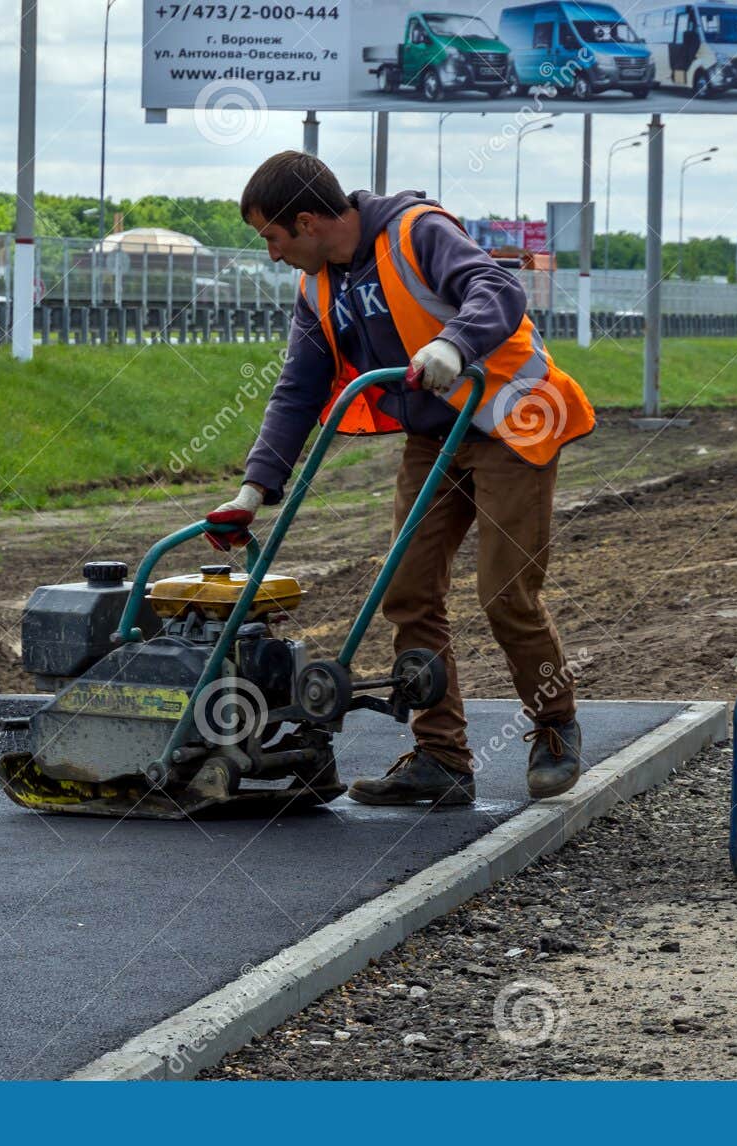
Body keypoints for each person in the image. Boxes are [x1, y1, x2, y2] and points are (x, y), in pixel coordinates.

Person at [214, 151, 595, 808]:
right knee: (408, 590)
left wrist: (453, 344)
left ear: (305, 221)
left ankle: (555, 726)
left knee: (505, 591)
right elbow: (297, 390)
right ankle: (442, 756)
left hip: (514, 417)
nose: (272, 254)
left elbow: (497, 289)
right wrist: (253, 491)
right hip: (435, 436)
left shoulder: (416, 231)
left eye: (272, 238)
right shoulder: (317, 289)